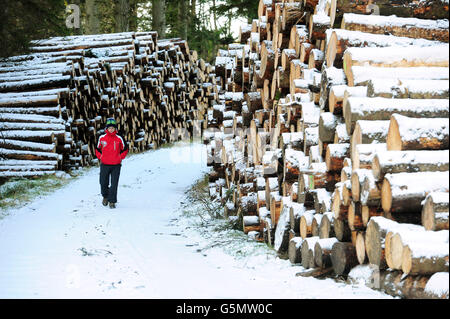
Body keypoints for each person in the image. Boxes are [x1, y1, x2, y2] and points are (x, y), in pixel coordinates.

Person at [95, 118, 128, 209]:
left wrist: (120, 157)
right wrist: (100, 157)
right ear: (107, 128)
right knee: (103, 182)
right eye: (109, 128)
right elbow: (97, 149)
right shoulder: (102, 138)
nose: (111, 130)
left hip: (116, 165)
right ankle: (105, 196)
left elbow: (125, 149)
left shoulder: (119, 138)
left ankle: (112, 201)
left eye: (113, 128)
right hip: (105, 164)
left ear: (115, 129)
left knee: (114, 183)